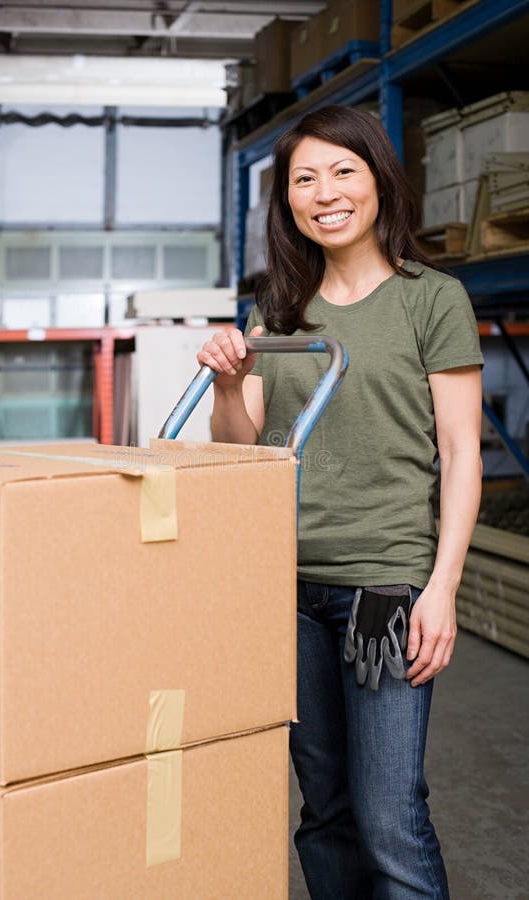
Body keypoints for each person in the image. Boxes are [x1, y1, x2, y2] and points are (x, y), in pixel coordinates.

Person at [197, 104, 483, 899]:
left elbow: (461, 453)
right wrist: (228, 383)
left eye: (342, 171)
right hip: (286, 590)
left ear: (378, 180)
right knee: (323, 811)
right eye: (304, 179)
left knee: (389, 814)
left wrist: (442, 589)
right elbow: (241, 452)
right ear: (287, 199)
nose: (325, 193)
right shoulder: (277, 311)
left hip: (383, 588)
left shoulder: (433, 300)